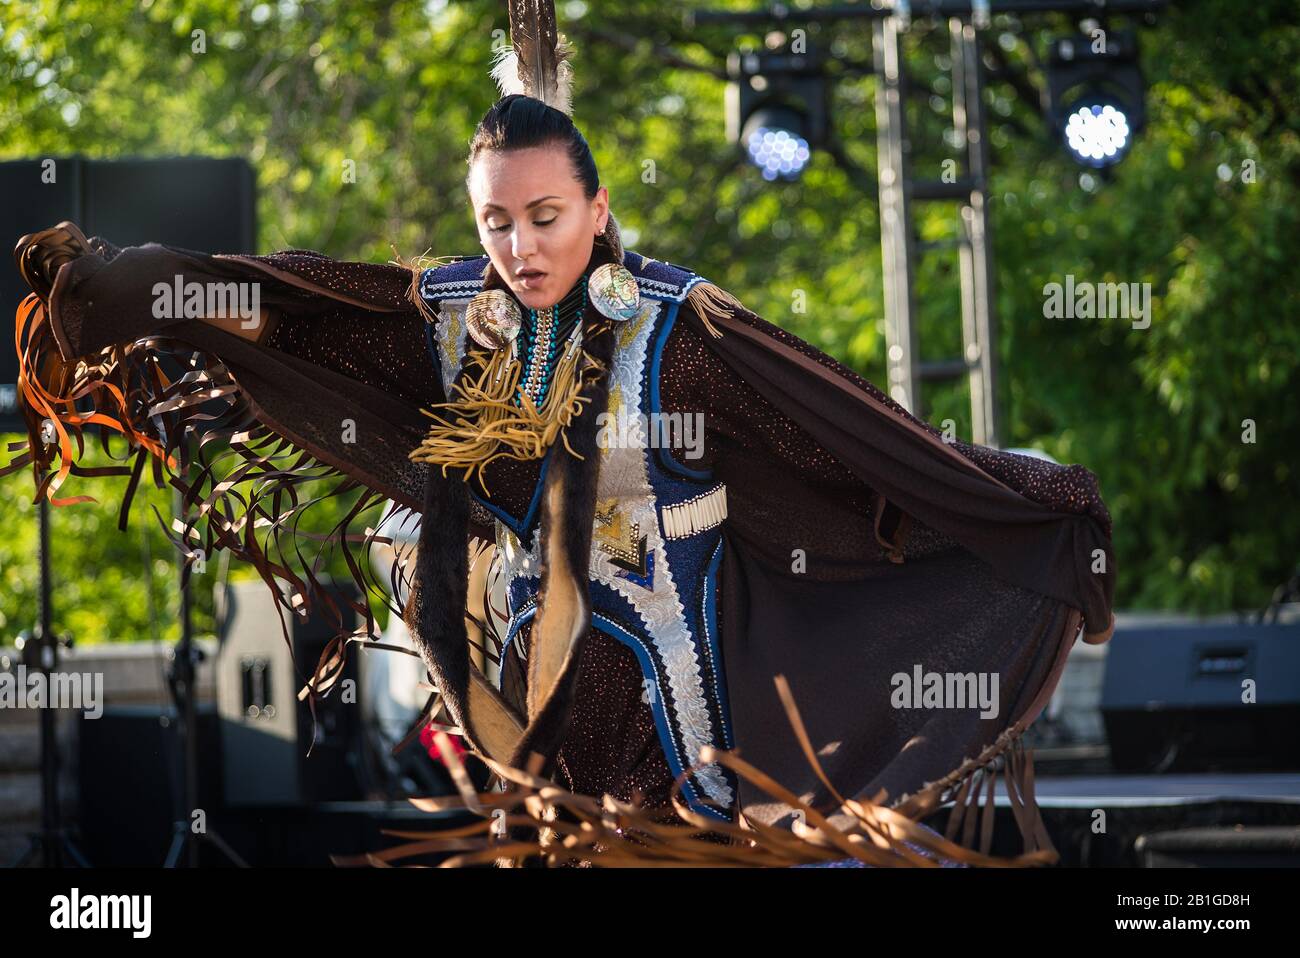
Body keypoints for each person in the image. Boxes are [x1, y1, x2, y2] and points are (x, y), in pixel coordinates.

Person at [8, 6, 1115, 866]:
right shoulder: (445, 322)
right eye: (496, 221)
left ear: (594, 209)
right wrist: (147, 288)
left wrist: (1025, 506)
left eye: (545, 218)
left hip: (694, 747)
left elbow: (849, 436)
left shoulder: (682, 332)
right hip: (529, 743)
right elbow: (297, 313)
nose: (521, 246)